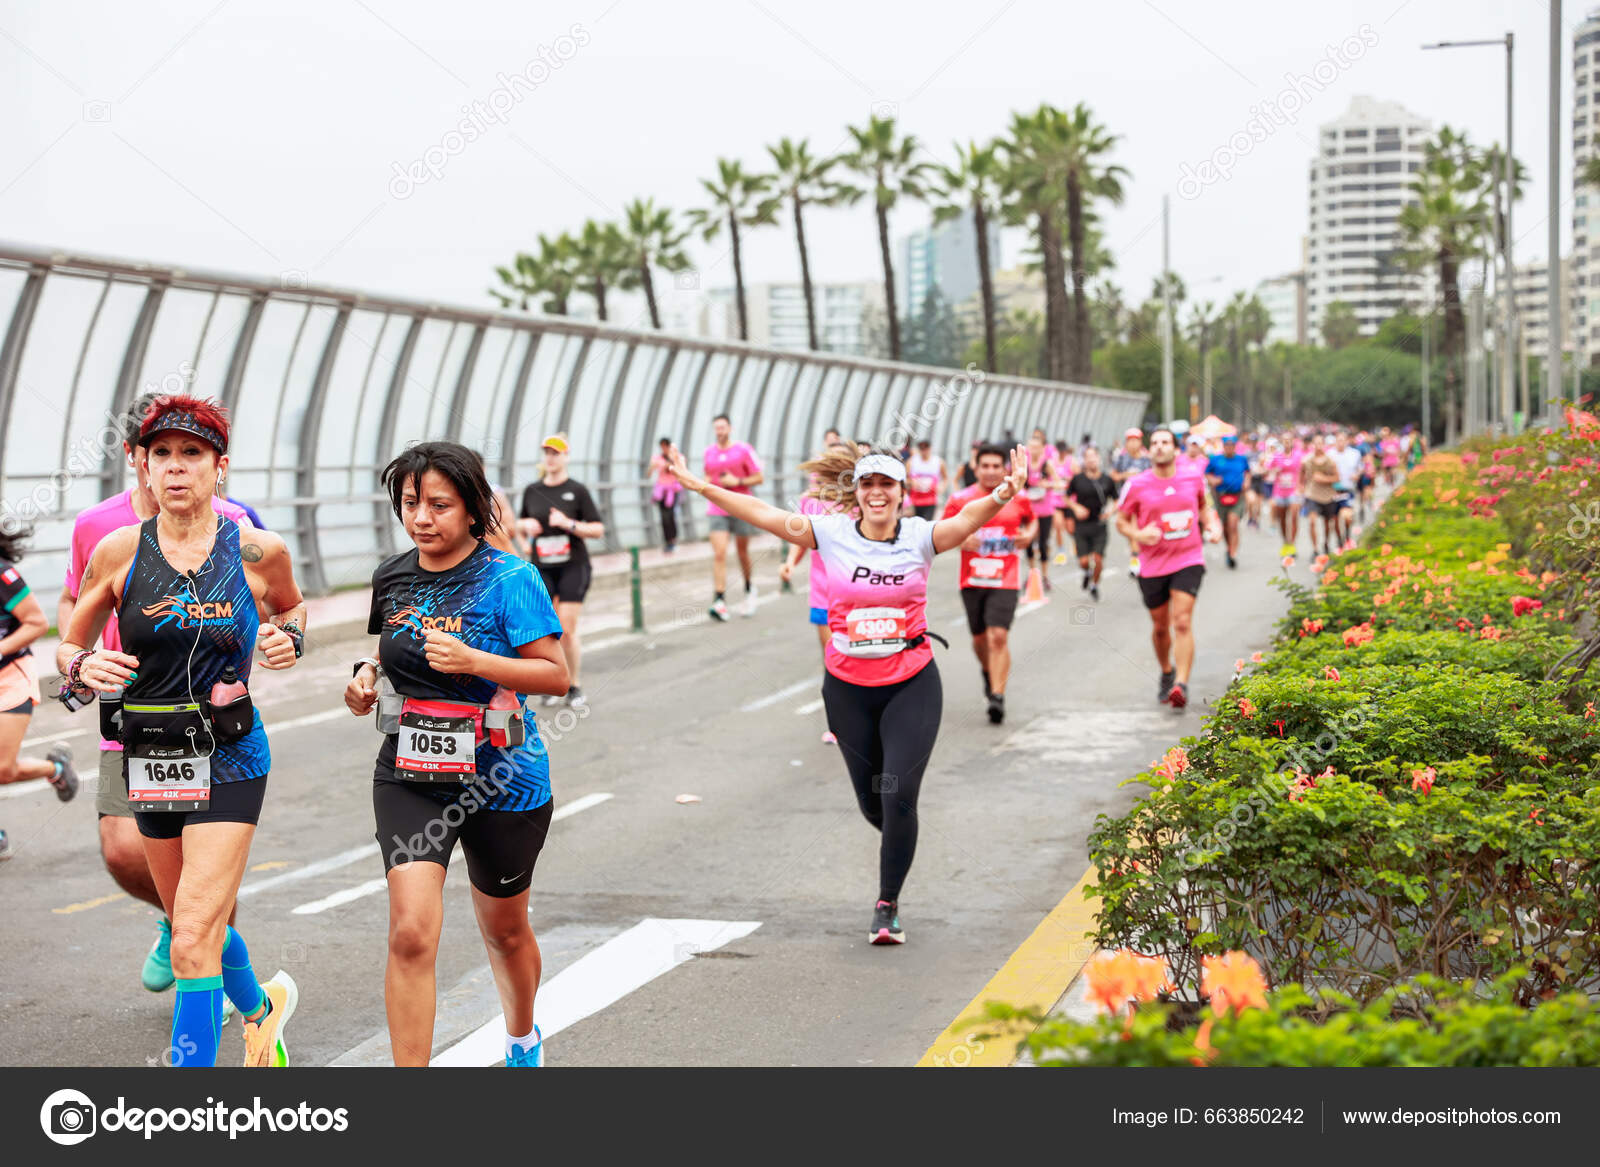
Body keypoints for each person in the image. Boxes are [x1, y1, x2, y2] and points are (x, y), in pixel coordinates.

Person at [665, 440, 1030, 945]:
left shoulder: (921, 537)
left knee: (898, 794)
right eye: (868, 484)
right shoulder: (830, 534)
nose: (877, 494)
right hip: (847, 688)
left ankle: (887, 905)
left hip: (912, 682)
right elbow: (763, 513)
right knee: (872, 804)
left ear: (902, 493)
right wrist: (703, 486)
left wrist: (1002, 495)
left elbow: (965, 521)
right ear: (856, 493)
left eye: (887, 485)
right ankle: (899, 842)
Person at [59, 394, 306, 1067]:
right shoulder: (116, 550)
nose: (175, 468)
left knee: (193, 935)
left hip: (230, 756)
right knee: (193, 921)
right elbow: (68, 641)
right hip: (151, 754)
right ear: (141, 465)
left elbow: (292, 609)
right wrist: (83, 663)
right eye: (161, 454)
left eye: (191, 454)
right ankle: (261, 1012)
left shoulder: (256, 547)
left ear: (218, 467)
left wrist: (289, 639)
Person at [345, 441, 568, 1068]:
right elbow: (395, 657)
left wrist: (475, 662)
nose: (422, 518)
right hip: (410, 772)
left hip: (504, 776)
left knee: (504, 929)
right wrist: (366, 678)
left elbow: (554, 675)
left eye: (439, 505)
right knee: (411, 932)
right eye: (411, 503)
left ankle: (522, 1037)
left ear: (473, 510)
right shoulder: (392, 577)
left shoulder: (509, 579)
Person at [1115, 427, 1222, 711]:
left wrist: (1212, 525)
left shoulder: (1192, 478)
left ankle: (1181, 684)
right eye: (1155, 443)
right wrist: (1138, 535)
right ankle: (1166, 670)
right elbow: (1121, 521)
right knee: (1161, 628)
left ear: (1176, 450)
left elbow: (1204, 508)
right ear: (1150, 451)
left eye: (1166, 442)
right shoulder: (1137, 485)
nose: (1160, 447)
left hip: (1188, 558)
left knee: (1182, 621)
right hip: (1152, 564)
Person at [0, 522, 80, 861]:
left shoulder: (4, 576)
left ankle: (56, 770)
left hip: (9, 678)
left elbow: (34, 622)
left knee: (2, 768)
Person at [943, 445, 1036, 724]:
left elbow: (1032, 523)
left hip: (1005, 578)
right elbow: (941, 533)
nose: (992, 471)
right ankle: (988, 672)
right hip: (972, 578)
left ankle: (997, 695)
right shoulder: (960, 499)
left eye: (997, 466)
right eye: (986, 466)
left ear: (1004, 469)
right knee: (980, 639)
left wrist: (1028, 536)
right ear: (976, 468)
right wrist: (960, 540)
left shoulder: (1018, 497)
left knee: (998, 636)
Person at [519, 435, 603, 709]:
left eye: (556, 453)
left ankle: (574, 685)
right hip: (543, 566)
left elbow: (597, 529)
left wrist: (568, 524)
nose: (551, 457)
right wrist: (526, 526)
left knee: (566, 628)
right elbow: (521, 523)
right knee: (546, 630)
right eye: (547, 452)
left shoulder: (577, 490)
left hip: (573, 565)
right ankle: (553, 683)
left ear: (566, 456)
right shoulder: (532, 490)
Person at [702, 415, 764, 620]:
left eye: (722, 427)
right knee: (719, 553)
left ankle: (748, 588)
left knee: (742, 552)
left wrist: (736, 480)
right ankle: (719, 600)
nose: (719, 431)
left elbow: (759, 477)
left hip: (741, 506)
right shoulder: (708, 453)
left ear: (730, 428)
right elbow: (707, 477)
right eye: (716, 428)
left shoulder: (743, 450)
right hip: (717, 508)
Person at [1066, 447, 1116, 601]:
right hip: (1081, 525)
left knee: (1098, 559)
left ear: (1099, 459)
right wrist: (1076, 507)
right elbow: (1066, 497)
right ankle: (1087, 572)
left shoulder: (1107, 479)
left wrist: (1110, 511)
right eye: (1088, 457)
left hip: (1099, 525)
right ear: (1084, 461)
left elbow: (1117, 499)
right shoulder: (1078, 479)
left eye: (1094, 456)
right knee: (1083, 561)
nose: (1091, 460)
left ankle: (1094, 585)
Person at [1022, 429, 1062, 590]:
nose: (1033, 450)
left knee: (1043, 543)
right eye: (1030, 447)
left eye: (1036, 447)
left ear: (1043, 449)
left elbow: (1060, 483)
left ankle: (1045, 576)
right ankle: (1032, 574)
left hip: (1045, 509)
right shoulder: (1024, 464)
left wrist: (1049, 484)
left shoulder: (1047, 464)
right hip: (1028, 509)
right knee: (1029, 542)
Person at [1108, 427, 1151, 577]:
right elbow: (1113, 475)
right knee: (1131, 528)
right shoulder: (1121, 458)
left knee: (1140, 528)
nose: (1133, 444)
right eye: (1130, 441)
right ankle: (1135, 559)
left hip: (1145, 499)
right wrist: (1126, 475)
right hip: (1127, 500)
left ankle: (1139, 557)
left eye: (1136, 440)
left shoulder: (1147, 459)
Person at [1205, 434, 1251, 569]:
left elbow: (1248, 472)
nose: (1229, 448)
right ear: (1223, 446)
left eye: (1232, 445)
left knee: (1233, 523)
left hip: (1237, 496)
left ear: (1235, 446)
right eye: (1227, 445)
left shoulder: (1241, 459)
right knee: (1225, 526)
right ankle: (1229, 547)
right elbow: (1207, 473)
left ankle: (1233, 554)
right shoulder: (1216, 459)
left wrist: (1247, 482)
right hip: (1220, 497)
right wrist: (1212, 480)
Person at [1300, 434, 1342, 556]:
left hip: (1327, 495)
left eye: (1320, 443)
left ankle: (1326, 543)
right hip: (1312, 494)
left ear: (1324, 445)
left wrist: (1323, 479)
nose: (1318, 446)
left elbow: (1337, 478)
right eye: (1316, 443)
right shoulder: (1307, 460)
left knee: (1328, 523)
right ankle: (1315, 549)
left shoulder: (1330, 461)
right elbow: (1301, 475)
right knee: (1312, 521)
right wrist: (1301, 486)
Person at [1263, 435, 1302, 556]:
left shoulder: (1298, 455)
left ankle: (1293, 543)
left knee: (1294, 516)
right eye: (1284, 441)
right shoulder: (1276, 456)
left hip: (1293, 490)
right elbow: (1267, 471)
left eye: (1289, 441)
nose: (1287, 443)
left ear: (1292, 442)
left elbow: (1302, 471)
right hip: (1279, 491)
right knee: (1282, 519)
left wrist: (1300, 486)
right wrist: (1274, 470)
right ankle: (1286, 542)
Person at [1328, 430, 1364, 545]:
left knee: (1347, 515)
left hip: (1348, 489)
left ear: (1347, 441)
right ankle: (1340, 540)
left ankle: (1347, 535)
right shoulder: (1329, 455)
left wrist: (1357, 475)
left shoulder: (1355, 454)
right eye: (1338, 441)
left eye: (1342, 440)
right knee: (1335, 519)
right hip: (1333, 490)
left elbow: (1361, 468)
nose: (1340, 443)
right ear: (1335, 442)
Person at [647, 437, 682, 552]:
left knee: (671, 515)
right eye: (662, 446)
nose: (664, 449)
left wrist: (671, 463)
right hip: (661, 492)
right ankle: (667, 541)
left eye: (665, 446)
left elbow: (682, 471)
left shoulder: (677, 458)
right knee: (664, 517)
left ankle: (673, 539)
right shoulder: (657, 459)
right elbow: (649, 473)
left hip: (673, 491)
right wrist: (653, 466)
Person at [905, 439, 944, 521]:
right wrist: (911, 482)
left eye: (926, 448)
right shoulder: (912, 462)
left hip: (930, 501)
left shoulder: (938, 462)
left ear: (930, 448)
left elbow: (946, 478)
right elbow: (905, 479)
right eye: (921, 448)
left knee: (926, 524)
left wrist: (942, 487)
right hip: (914, 501)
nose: (924, 451)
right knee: (914, 524)